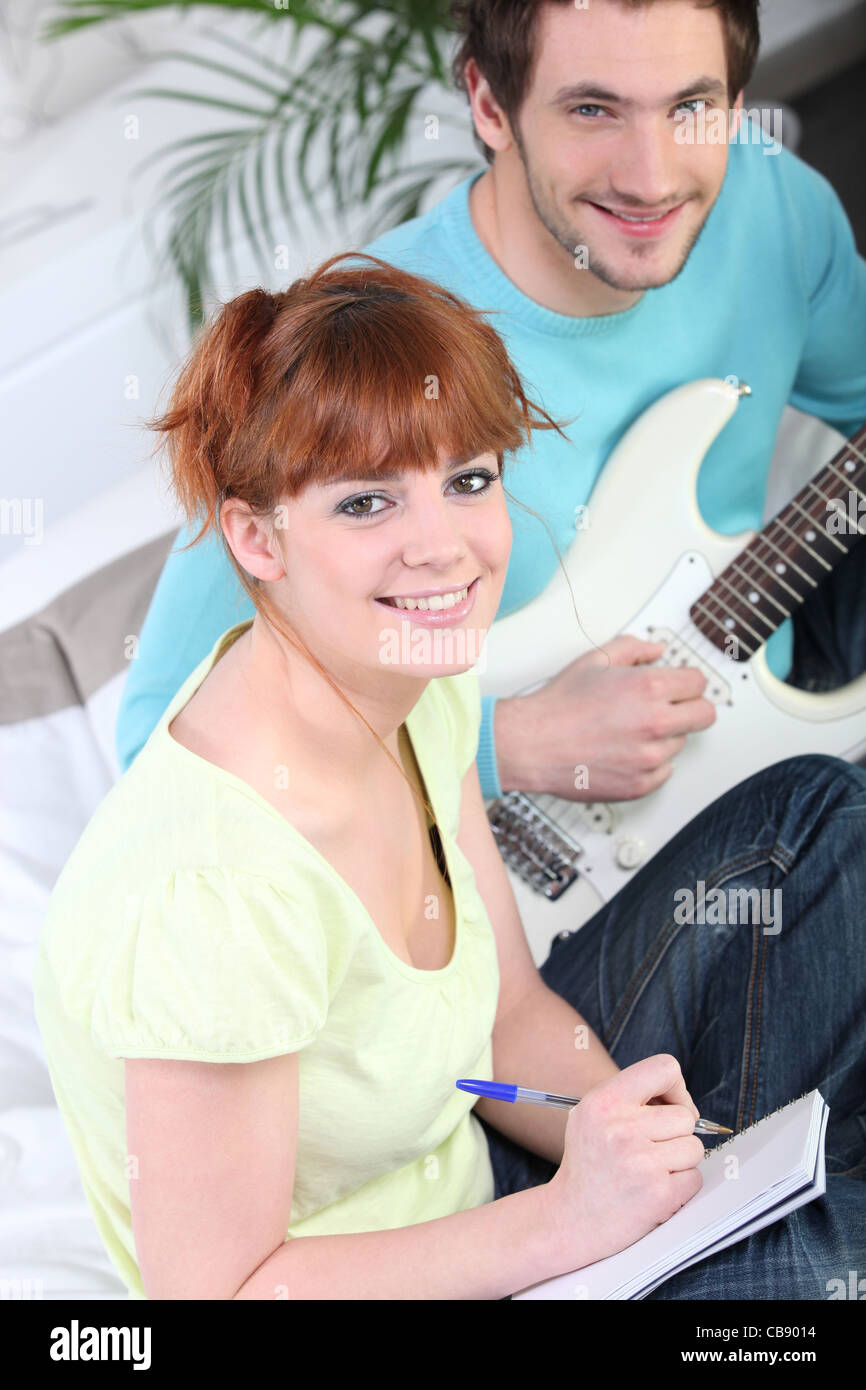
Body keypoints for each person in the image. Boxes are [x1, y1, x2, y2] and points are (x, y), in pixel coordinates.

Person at [33, 256, 866, 1301]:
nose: (445, 549)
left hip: (487, 1184)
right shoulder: (213, 896)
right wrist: (565, 1223)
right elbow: (221, 1292)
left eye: (467, 479)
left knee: (816, 817)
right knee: (827, 1258)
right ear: (256, 538)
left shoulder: (413, 677)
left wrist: (648, 1155)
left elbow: (508, 1011)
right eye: (367, 503)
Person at [115, 0, 866, 810]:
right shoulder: (356, 353)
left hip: (777, 704)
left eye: (690, 107)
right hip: (547, 878)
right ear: (488, 105)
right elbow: (158, 744)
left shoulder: (779, 211)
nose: (652, 178)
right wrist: (505, 745)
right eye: (591, 109)